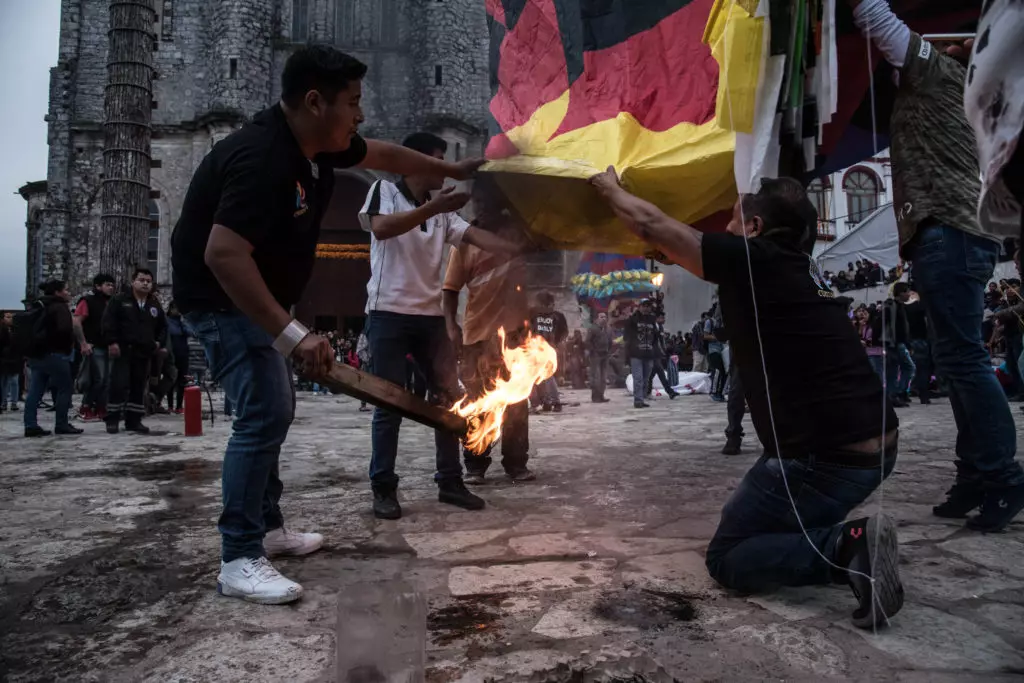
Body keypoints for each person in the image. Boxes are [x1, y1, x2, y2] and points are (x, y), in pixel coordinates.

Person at [171, 47, 484, 604]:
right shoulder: (263, 158)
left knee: (273, 408)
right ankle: (240, 555)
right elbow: (223, 255)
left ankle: (266, 528)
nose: (360, 116)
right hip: (222, 301)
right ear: (315, 103)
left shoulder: (315, 148)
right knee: (264, 411)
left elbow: (385, 153)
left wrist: (451, 169)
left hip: (256, 299)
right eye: (354, 103)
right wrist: (292, 333)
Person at [590, 170, 903, 629]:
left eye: (734, 221)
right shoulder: (794, 269)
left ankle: (846, 547)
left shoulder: (757, 260)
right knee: (763, 524)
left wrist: (608, 189)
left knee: (729, 556)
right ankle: (841, 543)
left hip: (825, 459)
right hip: (877, 445)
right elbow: (683, 243)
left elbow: (655, 226)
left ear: (755, 229)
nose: (724, 232)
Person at [849, 0, 1024, 531]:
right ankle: (976, 473)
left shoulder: (936, 71)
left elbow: (875, 18)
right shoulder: (976, 92)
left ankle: (1002, 476)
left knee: (965, 361)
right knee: (956, 360)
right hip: (956, 234)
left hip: (947, 231)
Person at [361, 131, 511, 521]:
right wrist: (432, 210)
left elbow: (472, 236)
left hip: (429, 320)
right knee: (388, 403)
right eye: (437, 163)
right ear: (415, 163)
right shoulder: (383, 190)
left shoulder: (442, 210)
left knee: (448, 400)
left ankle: (450, 481)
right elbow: (381, 229)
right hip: (388, 314)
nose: (444, 173)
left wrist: (519, 247)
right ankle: (383, 487)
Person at [442, 216, 533, 486]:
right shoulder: (464, 243)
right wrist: (451, 325)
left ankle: (516, 463)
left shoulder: (518, 241)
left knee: (517, 403)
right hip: (477, 336)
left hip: (514, 337)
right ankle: (475, 464)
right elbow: (450, 289)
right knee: (478, 401)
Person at [102, 268, 164, 434]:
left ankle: (134, 420)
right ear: (133, 282)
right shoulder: (120, 300)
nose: (145, 283)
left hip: (143, 351)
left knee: (138, 386)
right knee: (118, 384)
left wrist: (158, 343)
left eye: (148, 281)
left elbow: (162, 326)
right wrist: (112, 342)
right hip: (123, 349)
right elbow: (109, 322)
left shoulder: (154, 304)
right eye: (141, 280)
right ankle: (113, 419)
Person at [21, 281, 82, 437]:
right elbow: (64, 329)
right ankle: (61, 424)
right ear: (57, 292)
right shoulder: (59, 307)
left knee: (35, 390)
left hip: (38, 354)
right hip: (55, 353)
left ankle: (30, 424)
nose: (69, 293)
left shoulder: (40, 305)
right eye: (66, 290)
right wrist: (67, 346)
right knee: (64, 388)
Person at [73, 273, 115, 421]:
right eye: (107, 285)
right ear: (98, 286)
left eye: (112, 285)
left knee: (108, 380)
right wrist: (83, 343)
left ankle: (101, 407)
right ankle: (86, 406)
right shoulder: (88, 301)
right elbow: (77, 322)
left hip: (108, 346)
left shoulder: (112, 303)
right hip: (94, 346)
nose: (111, 288)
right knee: (99, 378)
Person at [529, 292, 568, 412]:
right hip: (540, 349)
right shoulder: (534, 314)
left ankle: (551, 401)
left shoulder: (533, 314)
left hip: (541, 349)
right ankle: (548, 401)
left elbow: (563, 333)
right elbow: (563, 333)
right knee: (541, 377)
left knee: (542, 376)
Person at [624, 298, 658, 409]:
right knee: (638, 378)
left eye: (648, 306)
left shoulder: (652, 320)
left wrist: (655, 350)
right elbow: (627, 338)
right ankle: (638, 400)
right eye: (644, 305)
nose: (646, 308)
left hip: (649, 353)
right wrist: (627, 355)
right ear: (640, 307)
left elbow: (656, 337)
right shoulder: (632, 320)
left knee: (646, 378)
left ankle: (642, 397)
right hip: (636, 353)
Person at [647, 313, 680, 399]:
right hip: (653, 353)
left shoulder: (660, 327)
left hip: (659, 354)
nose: (664, 320)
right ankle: (669, 392)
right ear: (657, 318)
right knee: (660, 372)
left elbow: (662, 342)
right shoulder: (652, 327)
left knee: (652, 375)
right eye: (662, 318)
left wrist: (664, 351)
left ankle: (648, 392)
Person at [166, 302, 191, 414]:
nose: (178, 311)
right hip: (172, 354)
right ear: (171, 309)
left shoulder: (182, 322)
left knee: (182, 380)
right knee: (171, 379)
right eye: (176, 309)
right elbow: (171, 332)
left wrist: (184, 322)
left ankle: (179, 406)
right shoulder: (167, 322)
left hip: (183, 354)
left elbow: (191, 332)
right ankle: (170, 405)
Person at [587, 311, 613, 403]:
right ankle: (595, 396)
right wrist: (593, 351)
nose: (604, 319)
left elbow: (610, 342)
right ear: (597, 318)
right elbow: (588, 341)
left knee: (603, 377)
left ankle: (601, 395)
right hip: (596, 356)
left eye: (605, 317)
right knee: (596, 377)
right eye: (601, 317)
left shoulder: (608, 329)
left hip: (605, 355)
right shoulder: (593, 328)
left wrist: (609, 351)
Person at [0, 312, 22, 412]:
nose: (10, 319)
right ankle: (3, 402)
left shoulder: (17, 329)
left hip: (14, 359)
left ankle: (14, 402)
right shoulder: (2, 330)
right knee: (4, 382)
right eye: (8, 317)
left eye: (11, 317)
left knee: (14, 381)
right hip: (3, 359)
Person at [705, 304, 727, 402]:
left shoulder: (724, 322)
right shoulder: (710, 322)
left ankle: (721, 392)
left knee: (725, 372)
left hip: (724, 350)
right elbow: (705, 336)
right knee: (718, 370)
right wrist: (718, 337)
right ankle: (714, 392)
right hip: (713, 350)